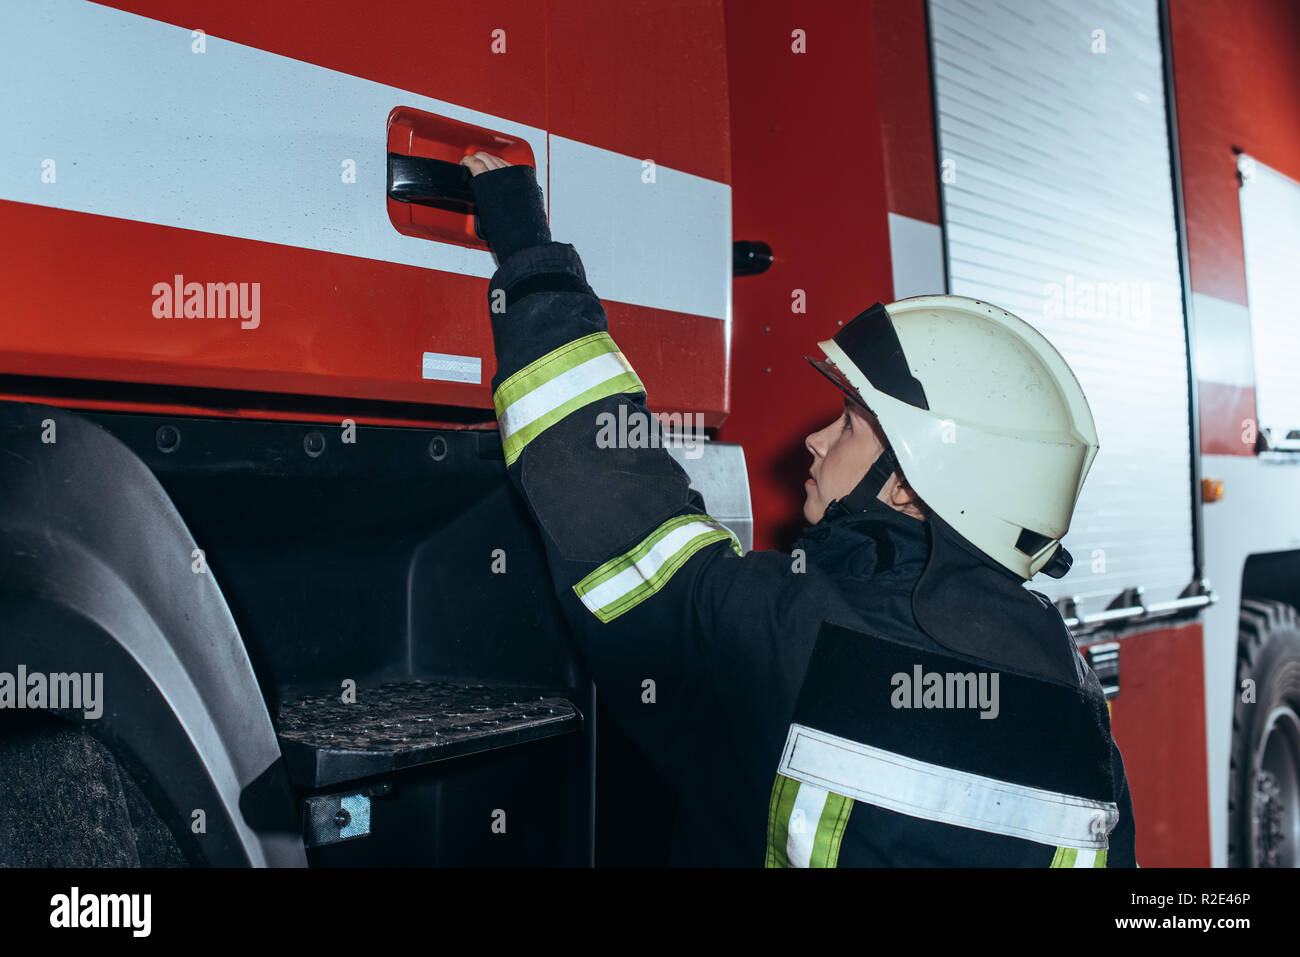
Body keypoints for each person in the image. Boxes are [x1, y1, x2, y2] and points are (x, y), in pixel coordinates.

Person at [460, 150, 1137, 867]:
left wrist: (529, 254)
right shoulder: (1077, 698)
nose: (814, 441)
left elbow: (612, 502)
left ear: (908, 485)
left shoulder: (797, 634)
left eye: (848, 422)